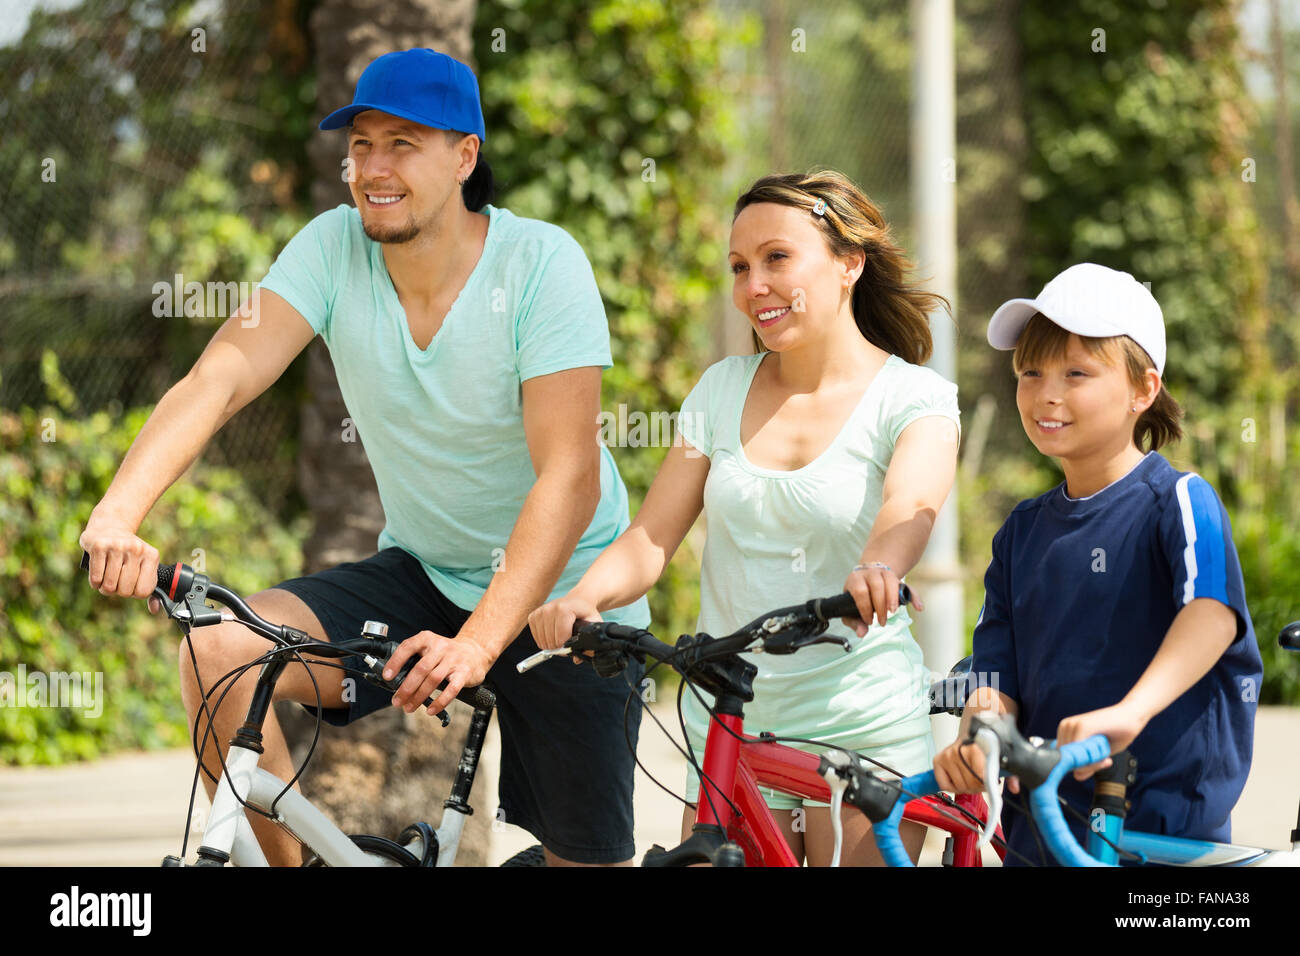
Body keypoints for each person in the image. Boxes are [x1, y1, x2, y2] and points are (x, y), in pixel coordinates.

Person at [78, 48, 649, 867]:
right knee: (218, 654)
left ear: (464, 157)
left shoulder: (541, 265)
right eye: (361, 145)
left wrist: (481, 642)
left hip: (566, 597)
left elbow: (571, 475)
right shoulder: (331, 248)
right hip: (422, 573)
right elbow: (218, 381)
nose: (373, 168)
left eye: (402, 144)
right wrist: (117, 515)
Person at [529, 169, 961, 866]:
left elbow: (910, 508)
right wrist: (584, 597)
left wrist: (880, 565)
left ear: (848, 263)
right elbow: (650, 537)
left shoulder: (915, 399)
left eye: (776, 259)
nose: (752, 285)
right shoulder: (719, 388)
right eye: (739, 266)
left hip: (861, 724)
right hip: (728, 719)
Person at [932, 263, 1263, 866]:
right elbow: (994, 675)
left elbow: (1212, 614)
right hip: (1041, 829)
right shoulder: (1020, 533)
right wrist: (978, 735)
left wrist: (1127, 714)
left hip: (1159, 835)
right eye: (1031, 372)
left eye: (1076, 373)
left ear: (1144, 389)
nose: (1046, 392)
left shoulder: (1181, 500)